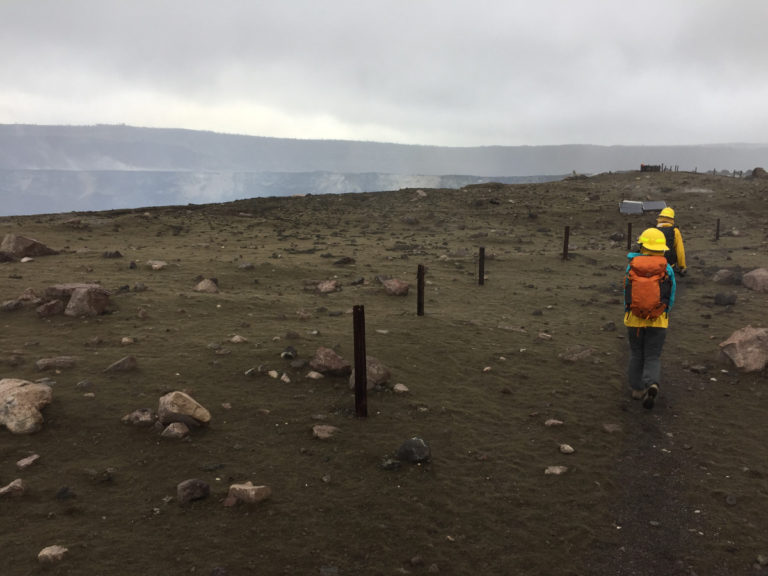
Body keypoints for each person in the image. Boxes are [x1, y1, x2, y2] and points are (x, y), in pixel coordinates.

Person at [623, 228, 676, 409]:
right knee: (652, 356)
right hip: (658, 320)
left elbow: (626, 292)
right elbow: (671, 294)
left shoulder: (632, 266)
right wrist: (664, 312)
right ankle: (652, 383)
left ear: (642, 245)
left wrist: (629, 312)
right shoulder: (667, 268)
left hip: (634, 320)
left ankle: (637, 389)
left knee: (636, 354)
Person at [656, 207, 687, 276]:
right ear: (672, 219)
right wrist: (682, 266)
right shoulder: (675, 231)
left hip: (656, 264)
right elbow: (680, 250)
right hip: (670, 264)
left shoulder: (654, 230)